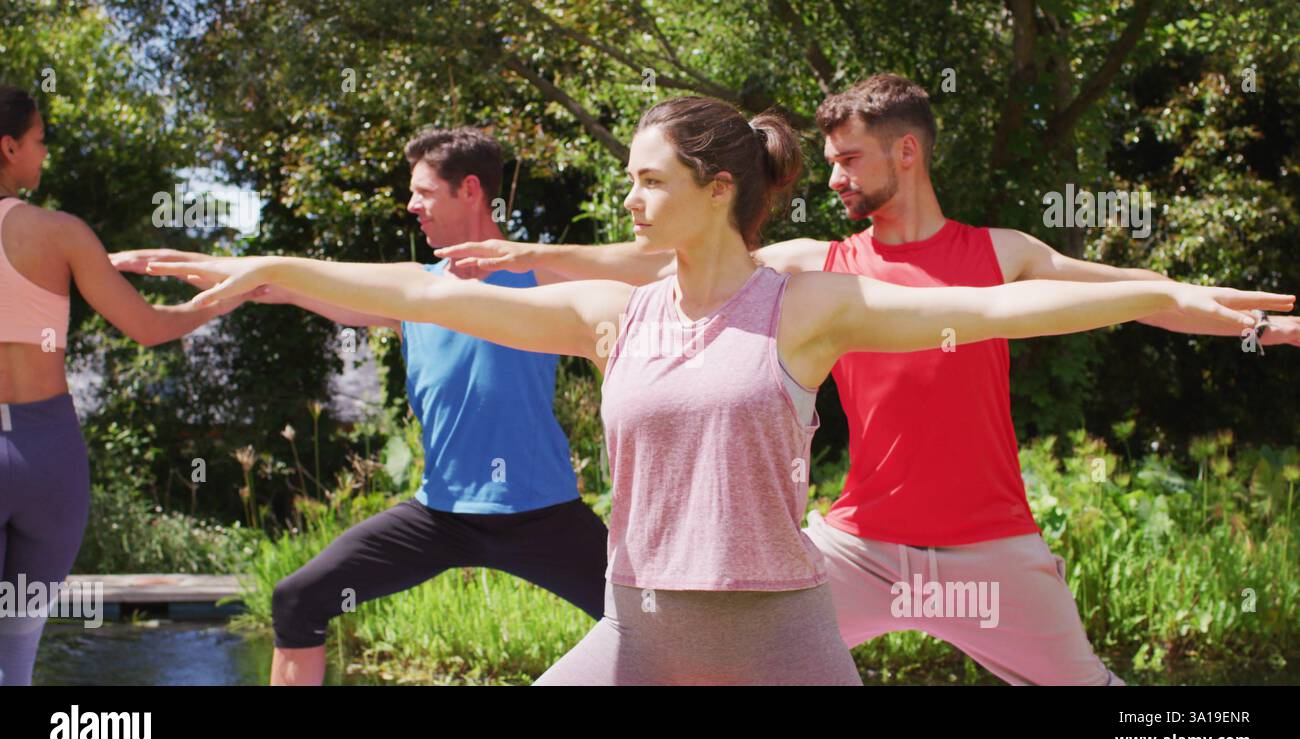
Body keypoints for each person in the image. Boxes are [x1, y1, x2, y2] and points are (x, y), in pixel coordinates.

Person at [145, 96, 1292, 685]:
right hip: (644, 629)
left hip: (785, 632)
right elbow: (420, 290)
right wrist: (267, 272)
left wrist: (1232, 314)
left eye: (646, 180)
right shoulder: (608, 315)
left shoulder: (808, 302)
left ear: (711, 187)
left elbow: (1021, 308)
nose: (628, 198)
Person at [117, 127, 609, 685]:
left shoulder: (543, 274)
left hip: (541, 514)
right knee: (298, 599)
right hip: (440, 516)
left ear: (470, 189)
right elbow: (279, 284)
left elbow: (649, 269)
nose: (411, 205)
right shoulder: (412, 289)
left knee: (651, 616)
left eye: (423, 191)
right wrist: (184, 263)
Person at [0, 86, 247, 686]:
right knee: (16, 656)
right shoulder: (59, 232)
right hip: (46, 453)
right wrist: (216, 302)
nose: (45, 154)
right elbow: (147, 327)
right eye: (39, 141)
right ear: (8, 147)